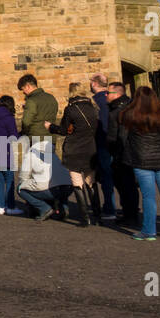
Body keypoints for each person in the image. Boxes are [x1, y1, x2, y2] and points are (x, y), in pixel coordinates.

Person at [117, 86, 160, 241]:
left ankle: (149, 230)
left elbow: (122, 137)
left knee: (148, 196)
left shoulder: (129, 114)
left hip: (141, 159)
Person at [46, 84, 101, 225]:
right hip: (90, 148)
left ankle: (85, 218)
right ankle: (97, 216)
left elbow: (63, 130)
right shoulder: (93, 108)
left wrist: (50, 127)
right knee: (91, 182)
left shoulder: (71, 109)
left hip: (74, 149)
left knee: (78, 184)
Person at [105, 81, 141, 225]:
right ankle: (130, 212)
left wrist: (112, 149)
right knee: (129, 185)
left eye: (109, 93)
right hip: (129, 151)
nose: (106, 95)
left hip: (122, 153)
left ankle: (130, 214)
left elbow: (116, 136)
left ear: (117, 94)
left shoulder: (117, 111)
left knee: (126, 185)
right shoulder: (130, 106)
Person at [17, 137, 73, 221]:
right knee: (60, 185)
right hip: (68, 187)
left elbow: (23, 176)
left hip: (50, 189)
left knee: (20, 188)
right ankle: (63, 208)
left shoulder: (30, 155)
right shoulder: (54, 154)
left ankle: (44, 208)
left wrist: (27, 183)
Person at [0, 94, 22, 215]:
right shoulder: (8, 118)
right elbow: (13, 137)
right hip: (4, 151)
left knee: (0, 180)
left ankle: (0, 206)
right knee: (10, 179)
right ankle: (10, 206)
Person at [91, 73, 116, 219]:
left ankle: (109, 208)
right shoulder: (112, 98)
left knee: (106, 177)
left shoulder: (97, 101)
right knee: (118, 177)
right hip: (115, 142)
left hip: (102, 142)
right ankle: (127, 208)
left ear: (94, 84)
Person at [18, 74, 58, 147]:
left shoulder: (31, 101)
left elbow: (26, 122)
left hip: (37, 140)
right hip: (51, 138)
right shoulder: (51, 97)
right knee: (48, 158)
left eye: (23, 89)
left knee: (36, 158)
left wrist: (24, 134)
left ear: (28, 86)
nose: (23, 93)